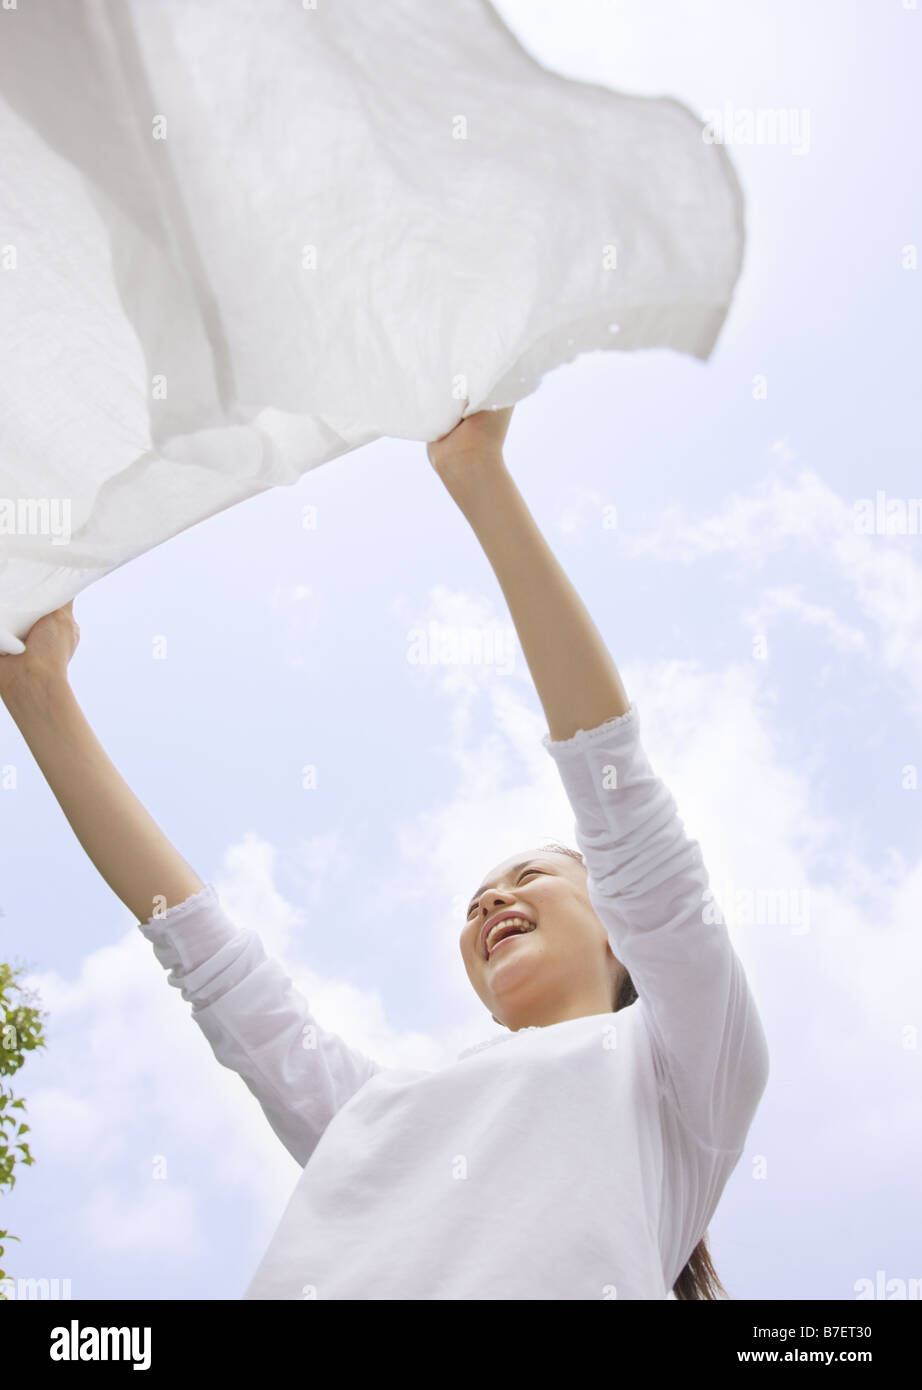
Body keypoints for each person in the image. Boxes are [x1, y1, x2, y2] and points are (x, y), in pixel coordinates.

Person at [0, 405, 769, 1300]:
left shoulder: (688, 1069)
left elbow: (622, 805)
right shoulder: (376, 1115)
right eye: (477, 897)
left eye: (530, 877)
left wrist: (477, 472)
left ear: (621, 931)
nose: (488, 903)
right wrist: (39, 692)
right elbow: (221, 968)